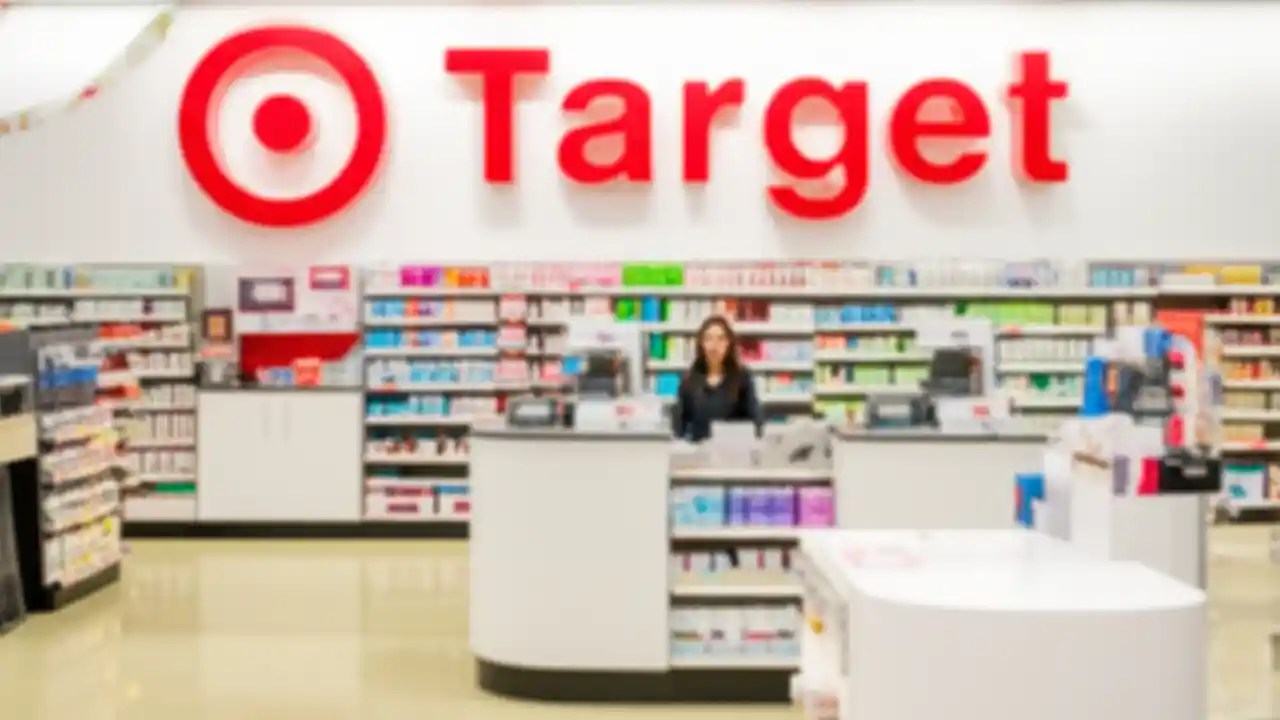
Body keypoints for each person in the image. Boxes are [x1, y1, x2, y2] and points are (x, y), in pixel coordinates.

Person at [671, 315, 764, 442]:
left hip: (734, 454)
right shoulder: (689, 381)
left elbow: (756, 422)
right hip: (699, 456)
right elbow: (679, 428)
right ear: (701, 343)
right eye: (709, 339)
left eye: (721, 339)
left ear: (728, 343)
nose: (714, 346)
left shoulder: (742, 377)